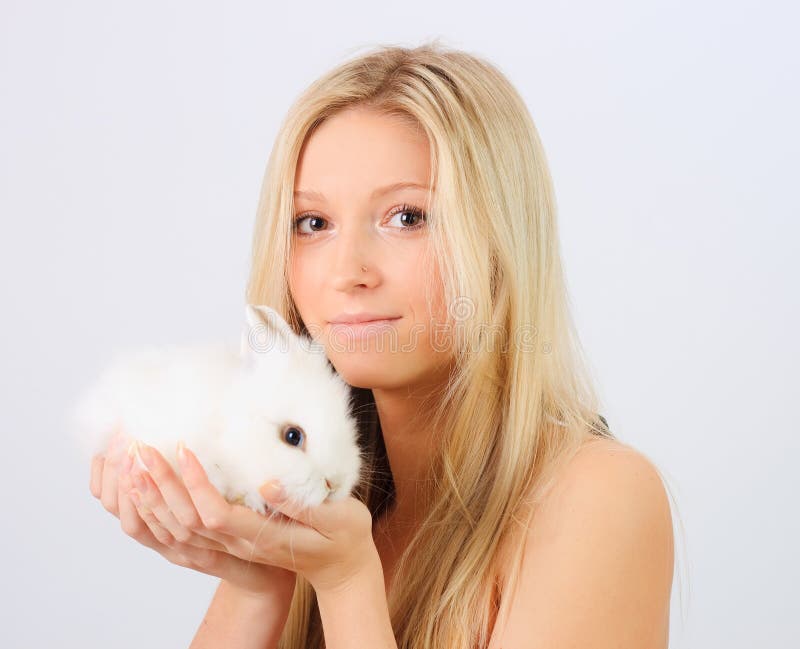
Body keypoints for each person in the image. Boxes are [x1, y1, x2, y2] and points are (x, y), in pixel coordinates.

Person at [89, 41, 675, 649]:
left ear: (499, 243)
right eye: (313, 223)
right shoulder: (315, 492)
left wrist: (347, 584)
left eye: (407, 217)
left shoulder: (599, 497)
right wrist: (256, 583)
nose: (349, 271)